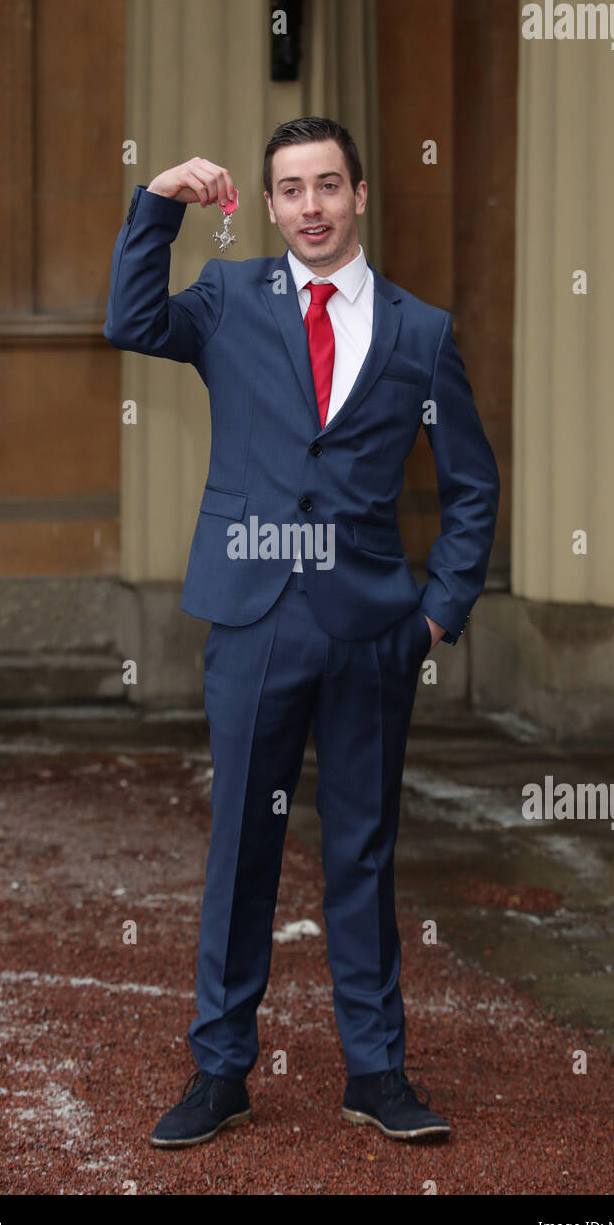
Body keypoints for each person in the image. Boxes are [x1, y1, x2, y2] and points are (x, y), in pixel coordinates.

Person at [102, 117, 500, 1148]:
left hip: (373, 629)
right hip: (253, 615)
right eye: (290, 190)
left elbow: (470, 486)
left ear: (360, 195)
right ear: (269, 206)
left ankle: (375, 1071)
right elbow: (130, 321)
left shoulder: (421, 333)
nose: (311, 206)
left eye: (328, 185)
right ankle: (219, 1069)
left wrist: (437, 613)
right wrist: (159, 203)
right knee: (243, 845)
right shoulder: (230, 299)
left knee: (363, 851)